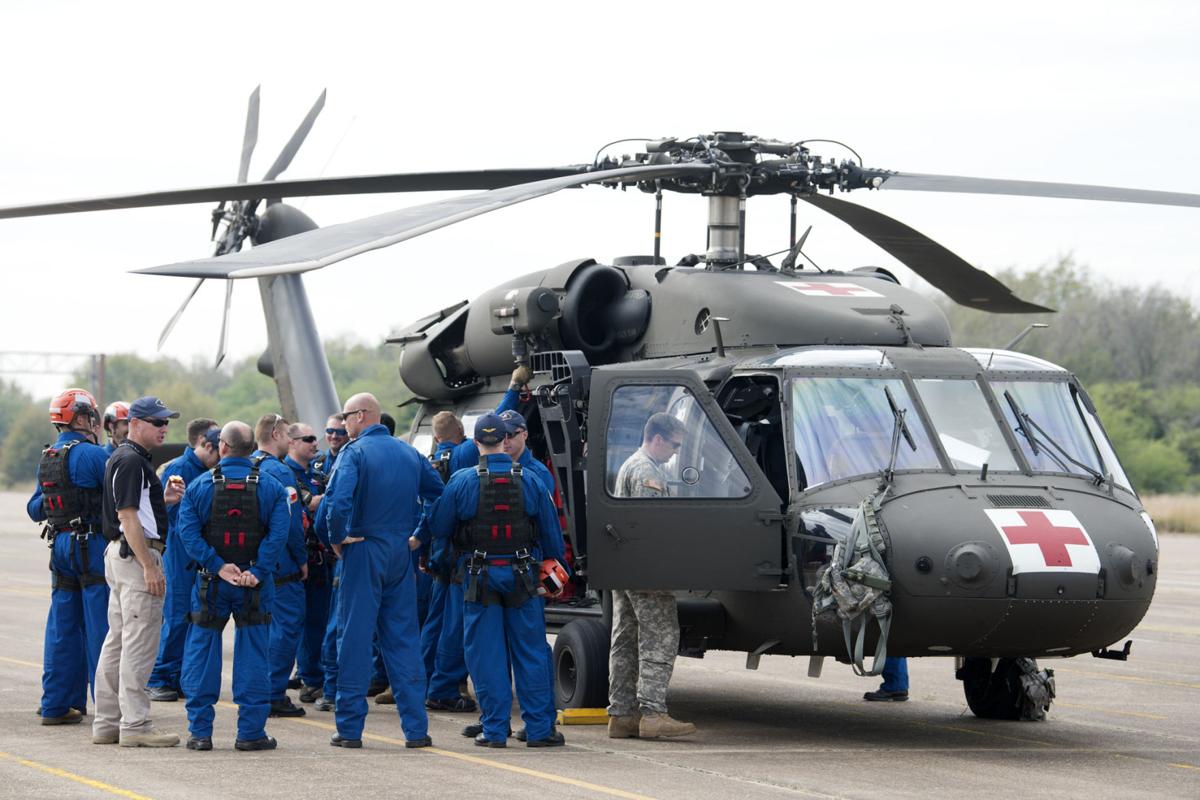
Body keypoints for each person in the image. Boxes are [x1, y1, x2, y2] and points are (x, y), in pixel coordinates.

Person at [424, 412, 567, 748]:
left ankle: (493, 729)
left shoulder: (460, 481)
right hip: (523, 578)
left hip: (478, 579)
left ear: (476, 444)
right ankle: (540, 729)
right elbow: (552, 539)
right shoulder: (531, 480)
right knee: (531, 653)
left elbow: (440, 530)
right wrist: (554, 578)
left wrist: (441, 565)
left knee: (485, 655)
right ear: (506, 440)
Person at [326, 393, 443, 749]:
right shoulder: (409, 453)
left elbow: (337, 501)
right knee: (404, 639)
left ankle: (349, 729)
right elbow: (439, 495)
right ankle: (416, 729)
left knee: (355, 638)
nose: (344, 424)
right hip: (399, 552)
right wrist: (419, 535)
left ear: (361, 415)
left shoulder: (354, 453)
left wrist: (337, 537)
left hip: (363, 547)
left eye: (346, 416)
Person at [176, 421, 292, 751]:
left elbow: (188, 533)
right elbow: (279, 533)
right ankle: (251, 733)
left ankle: (200, 733)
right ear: (250, 446)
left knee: (201, 651)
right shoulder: (271, 487)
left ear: (223, 447)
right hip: (254, 585)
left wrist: (216, 565)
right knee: (255, 654)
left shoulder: (199, 486)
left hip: (211, 584)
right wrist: (258, 570)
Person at [94, 395, 184, 747]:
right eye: (158, 422)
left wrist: (165, 501)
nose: (165, 428)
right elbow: (128, 517)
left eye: (166, 422)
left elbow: (134, 510)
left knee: (117, 641)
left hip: (121, 555)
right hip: (134, 556)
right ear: (136, 423)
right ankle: (135, 725)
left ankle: (107, 723)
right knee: (139, 643)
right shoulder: (131, 460)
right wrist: (149, 565)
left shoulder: (127, 458)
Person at [608, 412, 697, 739]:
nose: (675, 452)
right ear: (657, 439)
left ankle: (621, 714)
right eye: (673, 446)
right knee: (660, 636)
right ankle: (654, 712)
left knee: (626, 639)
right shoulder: (647, 471)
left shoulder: (630, 464)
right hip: (645, 571)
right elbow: (652, 527)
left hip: (627, 568)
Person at [27, 388, 110, 725]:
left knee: (62, 629)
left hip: (60, 548)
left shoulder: (48, 458)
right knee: (100, 629)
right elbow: (123, 497)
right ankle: (108, 709)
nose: (96, 422)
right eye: (92, 416)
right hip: (91, 548)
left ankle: (57, 705)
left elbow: (35, 509)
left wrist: (62, 502)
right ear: (80, 418)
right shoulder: (94, 455)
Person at [147, 419, 220, 702]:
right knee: (177, 616)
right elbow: (170, 516)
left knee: (193, 618)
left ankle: (177, 675)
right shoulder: (178, 470)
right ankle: (159, 677)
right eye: (216, 451)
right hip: (179, 553)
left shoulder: (206, 470)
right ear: (205, 443)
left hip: (195, 553)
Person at [251, 413, 309, 718]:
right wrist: (301, 559)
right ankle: (273, 693)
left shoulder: (246, 467)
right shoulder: (282, 474)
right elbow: (292, 525)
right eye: (288, 435)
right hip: (280, 566)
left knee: (257, 631)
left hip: (248, 564)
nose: (291, 441)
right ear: (275, 434)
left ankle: (255, 689)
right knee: (285, 629)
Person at [284, 422, 331, 704]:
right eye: (308, 439)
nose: (316, 443)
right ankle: (310, 676)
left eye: (316, 439)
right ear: (291, 442)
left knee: (317, 619)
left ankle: (311, 675)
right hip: (297, 559)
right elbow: (308, 505)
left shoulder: (315, 473)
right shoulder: (285, 474)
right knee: (298, 621)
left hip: (318, 556)